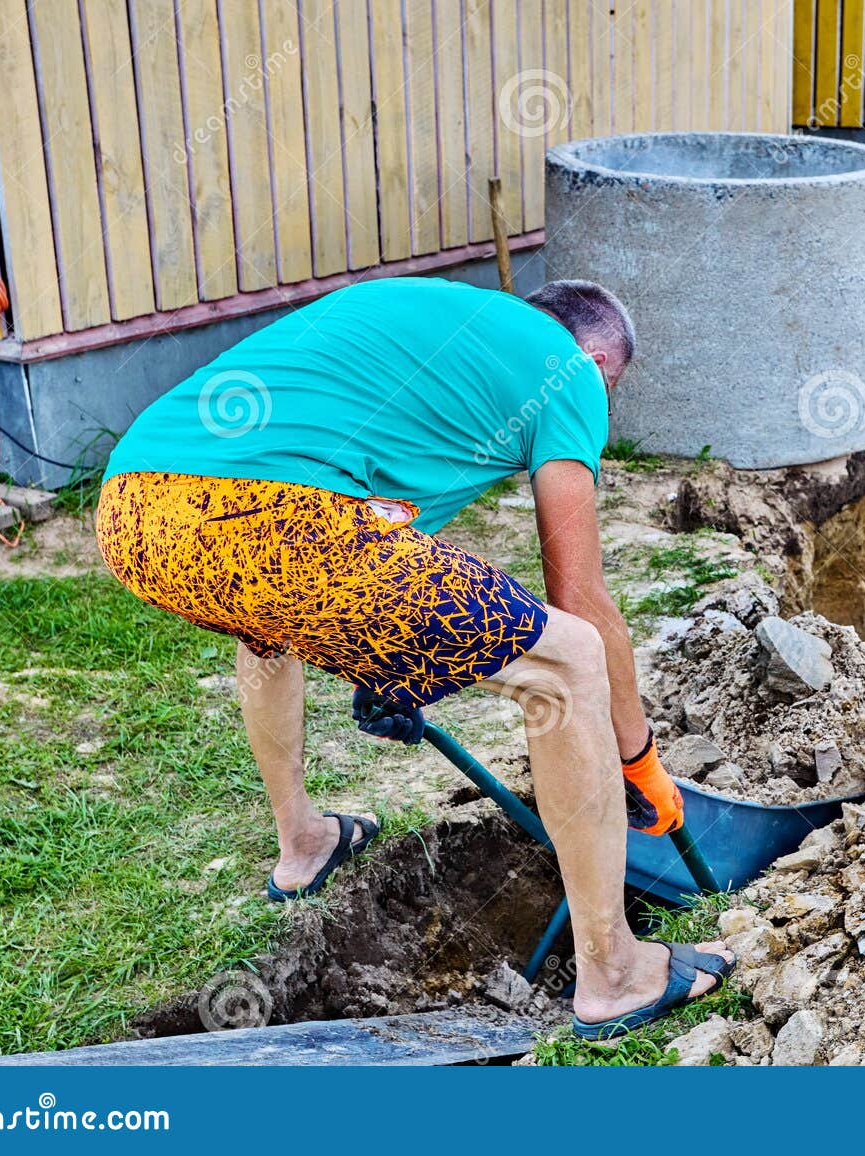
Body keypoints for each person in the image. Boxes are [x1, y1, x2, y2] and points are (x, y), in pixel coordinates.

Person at [95, 277, 732, 1039]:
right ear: (597, 360)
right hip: (270, 515)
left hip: (136, 510)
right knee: (568, 658)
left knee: (264, 623)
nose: (597, 413)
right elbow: (581, 593)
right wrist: (640, 759)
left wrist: (382, 665)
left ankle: (303, 844)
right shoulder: (568, 370)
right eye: (610, 391)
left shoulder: (434, 332)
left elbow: (355, 567)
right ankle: (616, 974)